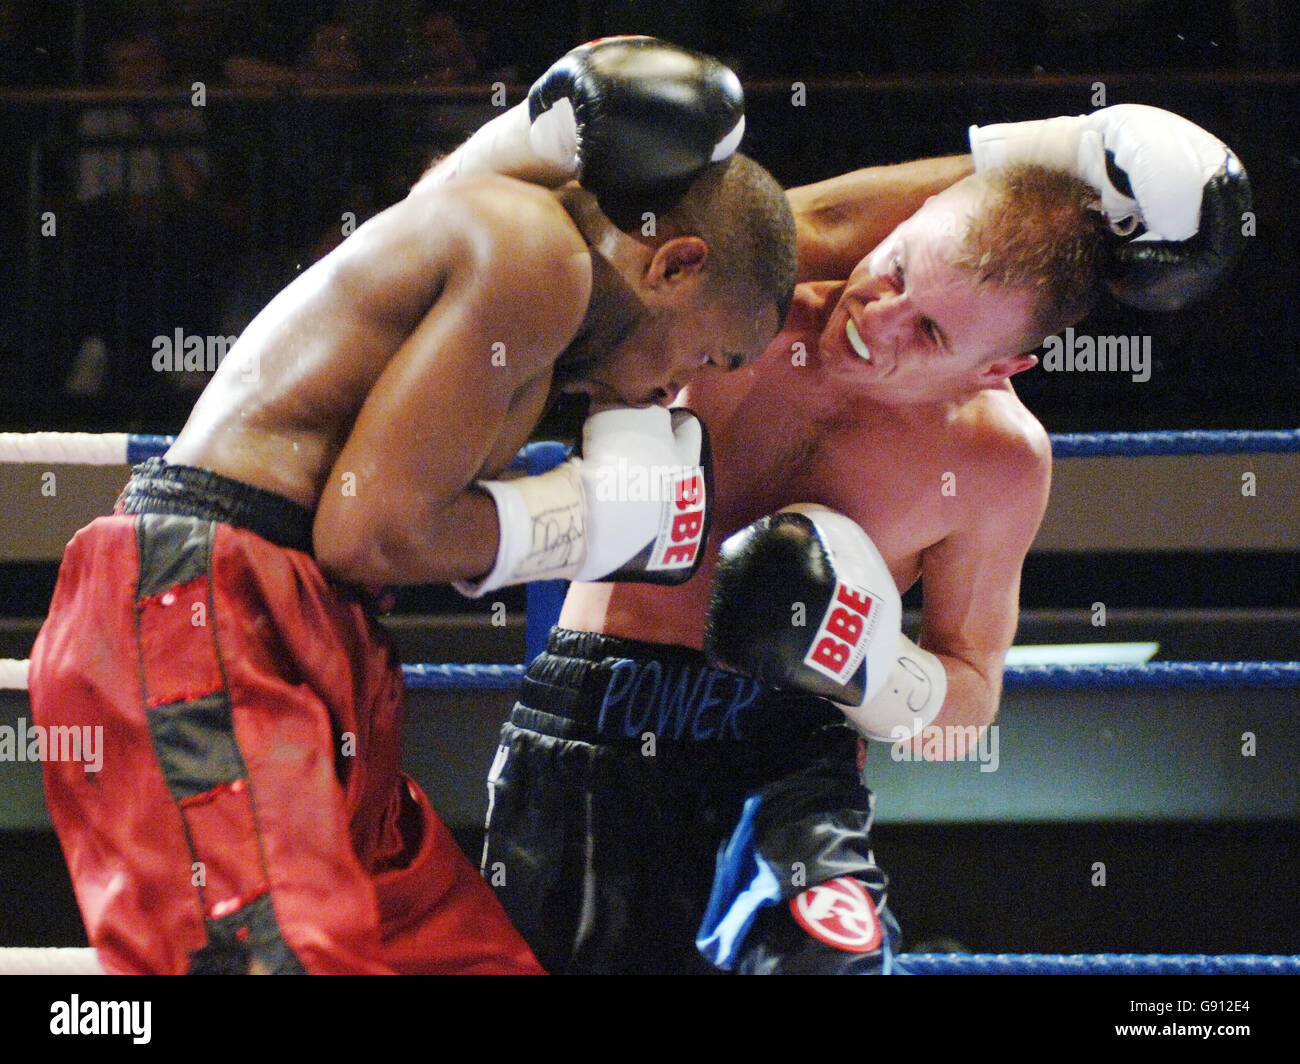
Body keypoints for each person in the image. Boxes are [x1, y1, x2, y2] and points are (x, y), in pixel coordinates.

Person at [27, 38, 798, 975]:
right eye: (708, 357)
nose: (678, 393)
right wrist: (589, 518)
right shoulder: (539, 255)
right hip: (206, 610)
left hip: (315, 636)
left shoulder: (513, 250)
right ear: (674, 267)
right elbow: (371, 533)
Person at [478, 105, 1250, 974]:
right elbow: (673, 240)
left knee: (825, 965)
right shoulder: (741, 307)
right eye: (895, 271)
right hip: (598, 719)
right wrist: (1064, 149)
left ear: (1000, 367)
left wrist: (877, 669)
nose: (876, 320)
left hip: (788, 759)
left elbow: (967, 706)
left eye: (930, 333)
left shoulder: (998, 460)